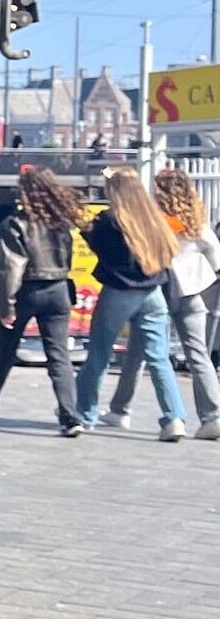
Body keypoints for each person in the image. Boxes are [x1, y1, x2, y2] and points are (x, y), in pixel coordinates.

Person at [75, 166, 187, 438]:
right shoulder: (153, 219)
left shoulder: (110, 221)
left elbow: (93, 243)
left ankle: (85, 412)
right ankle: (175, 418)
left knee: (100, 354)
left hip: (119, 292)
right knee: (159, 357)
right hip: (153, 292)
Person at [107, 168, 220, 438]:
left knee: (138, 350)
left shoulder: (154, 221)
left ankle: (120, 410)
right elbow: (214, 252)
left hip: (157, 291)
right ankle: (212, 416)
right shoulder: (194, 222)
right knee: (198, 354)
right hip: (192, 292)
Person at [0, 167, 84, 436]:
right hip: (59, 289)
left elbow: (9, 269)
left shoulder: (16, 224)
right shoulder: (61, 222)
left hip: (28, 290)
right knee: (59, 356)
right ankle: (70, 416)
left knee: (4, 354)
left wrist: (6, 308)